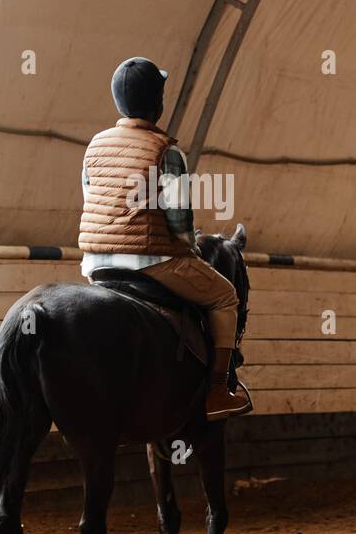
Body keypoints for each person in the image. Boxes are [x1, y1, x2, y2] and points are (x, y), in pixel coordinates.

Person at [79, 57, 248, 419]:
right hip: (153, 262)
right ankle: (218, 391)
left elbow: (91, 198)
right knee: (225, 297)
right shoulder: (166, 151)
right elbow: (179, 220)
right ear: (158, 102)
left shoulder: (95, 146)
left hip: (95, 265)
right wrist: (189, 245)